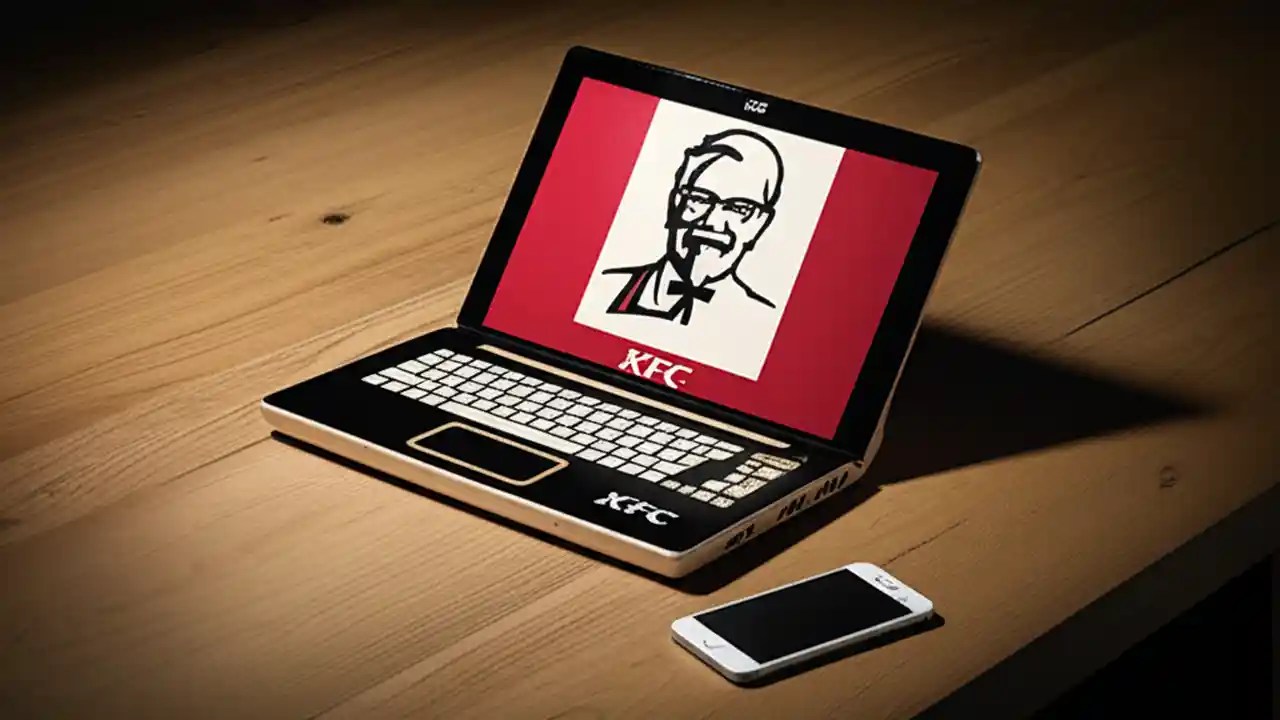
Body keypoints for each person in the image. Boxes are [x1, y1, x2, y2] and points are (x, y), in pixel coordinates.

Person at [603, 129, 785, 326]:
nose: (712, 223)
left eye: (739, 208)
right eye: (698, 199)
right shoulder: (606, 287)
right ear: (673, 204)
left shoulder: (760, 321)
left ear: (760, 224)